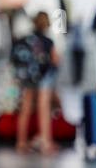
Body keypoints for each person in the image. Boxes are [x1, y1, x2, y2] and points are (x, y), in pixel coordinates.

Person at [11, 11, 60, 155]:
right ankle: (46, 142)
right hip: (45, 76)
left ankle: (21, 142)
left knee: (25, 108)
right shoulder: (48, 41)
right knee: (43, 108)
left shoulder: (26, 39)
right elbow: (55, 59)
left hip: (28, 76)